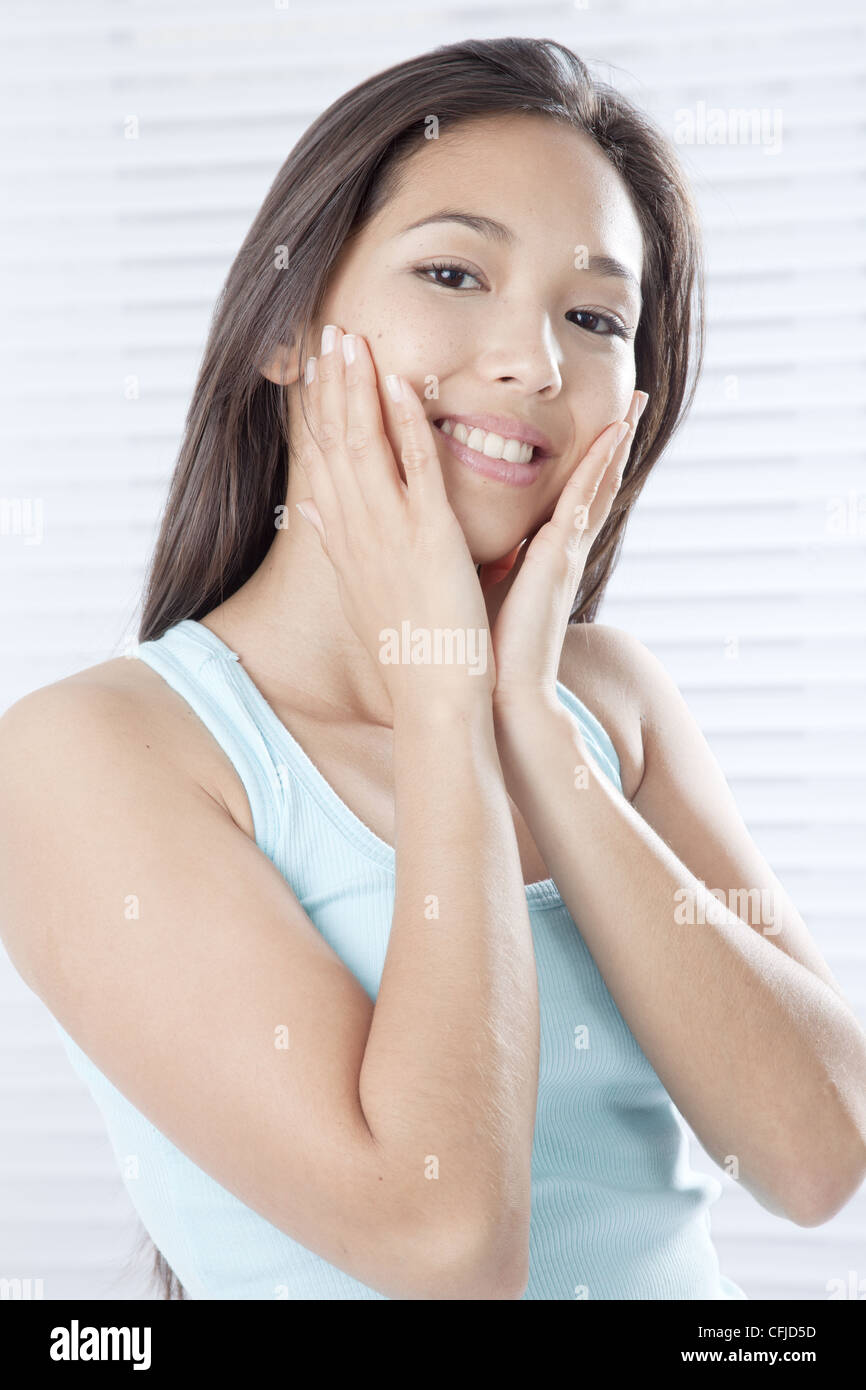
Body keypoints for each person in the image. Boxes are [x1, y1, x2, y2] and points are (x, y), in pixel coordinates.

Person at [2, 37, 864, 1302]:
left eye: (593, 317)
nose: (534, 365)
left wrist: (532, 724)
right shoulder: (88, 755)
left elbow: (813, 1158)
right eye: (453, 271)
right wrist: (444, 701)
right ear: (289, 327)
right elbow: (448, 1249)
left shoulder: (605, 705)